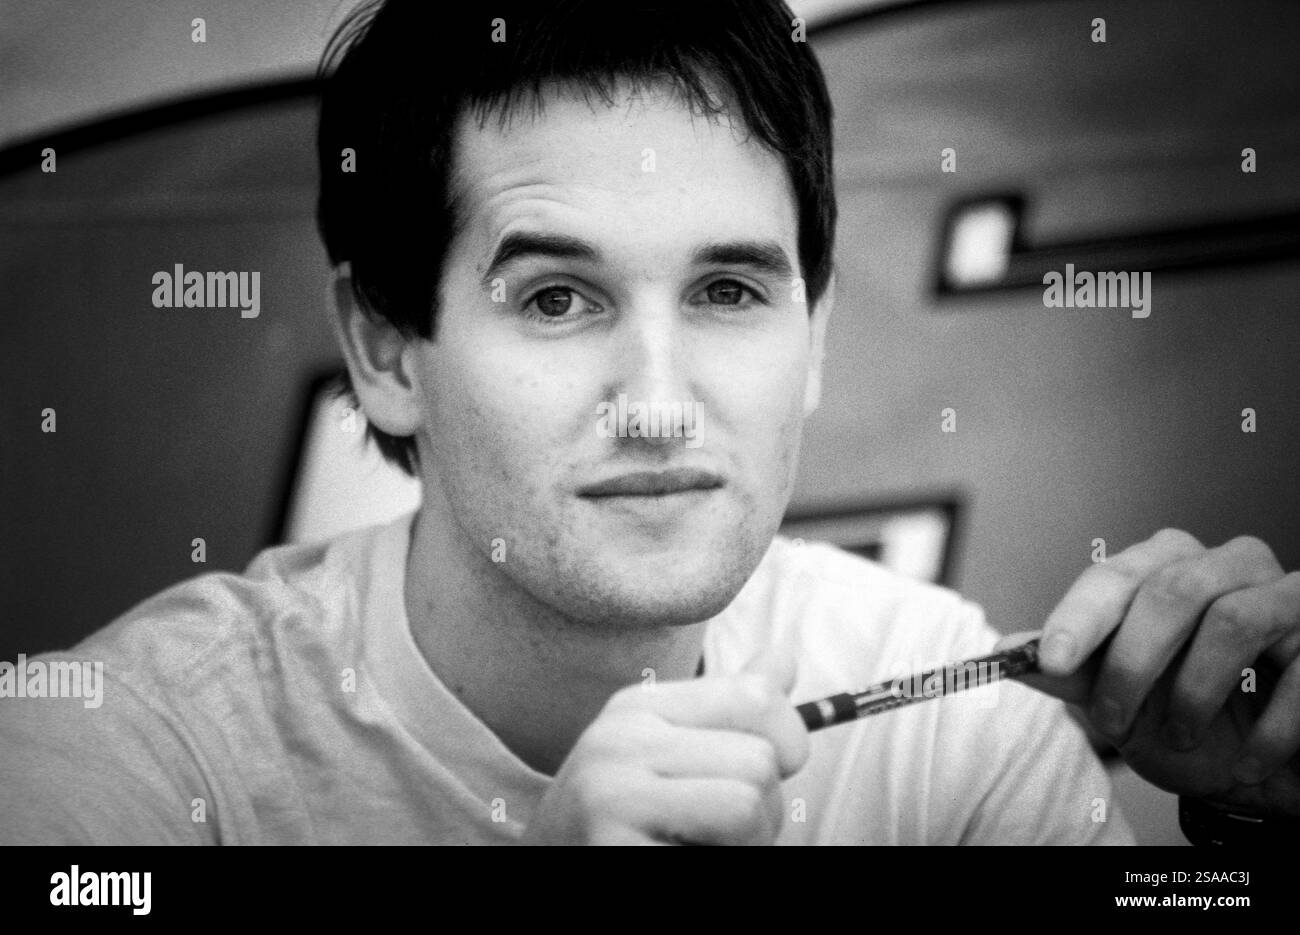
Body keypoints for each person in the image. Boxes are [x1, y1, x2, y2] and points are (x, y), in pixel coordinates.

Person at [3, 0, 1297, 845]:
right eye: (559, 297)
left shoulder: (942, 699)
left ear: (817, 334)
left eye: (730, 290)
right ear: (386, 346)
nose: (664, 402)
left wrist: (1246, 833)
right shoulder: (116, 762)